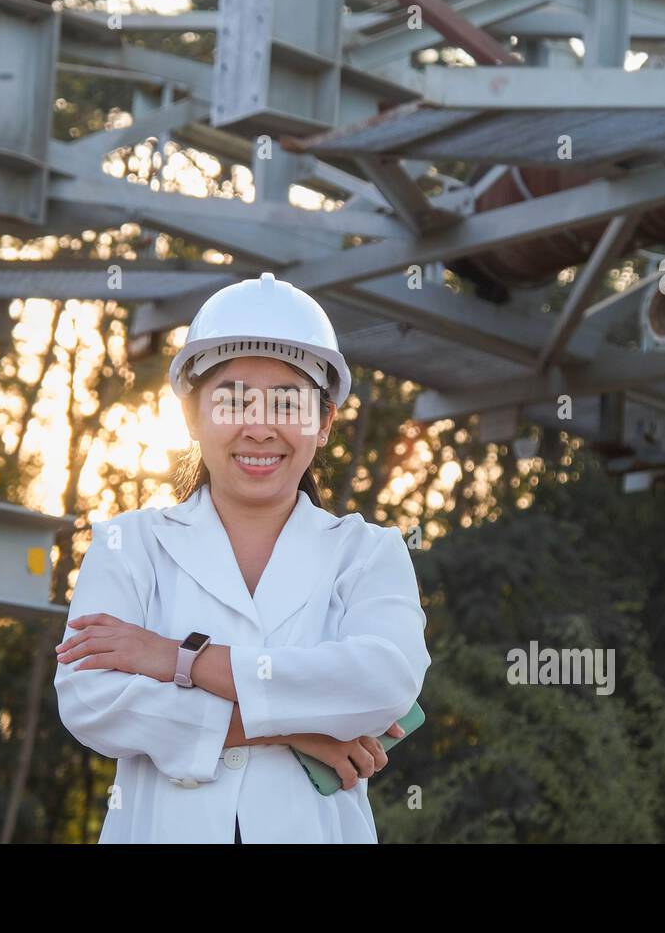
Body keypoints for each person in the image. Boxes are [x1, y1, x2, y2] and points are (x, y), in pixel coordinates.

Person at [53, 272, 431, 843]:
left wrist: (178, 660)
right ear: (191, 416)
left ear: (324, 422)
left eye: (288, 402)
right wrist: (293, 729)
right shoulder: (126, 545)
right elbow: (91, 701)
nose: (259, 427)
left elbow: (383, 684)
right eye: (232, 400)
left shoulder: (368, 554)